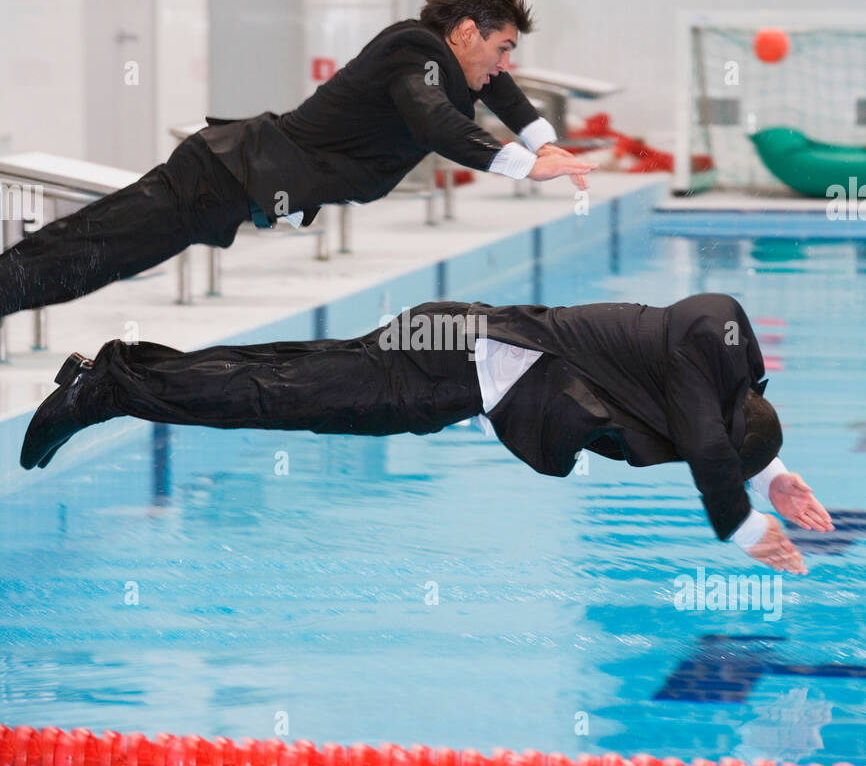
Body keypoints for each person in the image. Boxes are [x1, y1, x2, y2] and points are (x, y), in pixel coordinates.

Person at [20, 293, 832, 573]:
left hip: (453, 371)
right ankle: (107, 386)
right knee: (278, 391)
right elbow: (705, 435)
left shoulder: (726, 363)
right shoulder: (707, 338)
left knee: (283, 384)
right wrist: (742, 522)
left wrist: (771, 474)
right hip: (453, 353)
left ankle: (115, 379)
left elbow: (717, 427)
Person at [0, 0, 595, 320]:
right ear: (467, 32)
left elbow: (505, 93)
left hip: (230, 183)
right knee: (82, 254)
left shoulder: (446, 57)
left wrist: (547, 145)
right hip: (219, 174)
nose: (505, 62)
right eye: (504, 46)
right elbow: (434, 124)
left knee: (94, 263)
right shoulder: (415, 54)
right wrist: (523, 166)